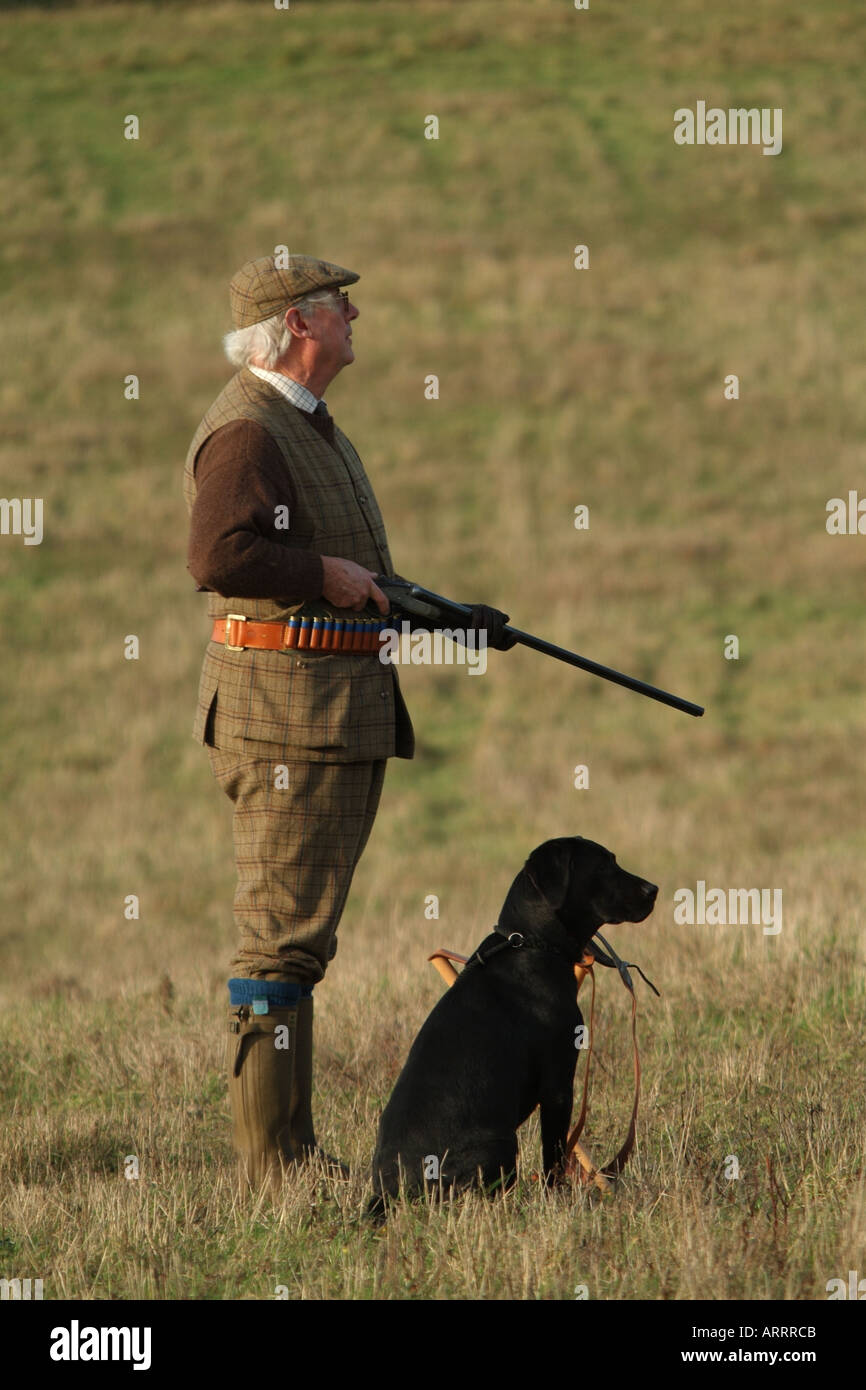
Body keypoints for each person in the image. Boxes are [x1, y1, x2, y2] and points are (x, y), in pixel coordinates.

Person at [183, 250, 511, 1191]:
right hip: (288, 723)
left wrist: (455, 620)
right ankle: (275, 1172)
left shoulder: (303, 423)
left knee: (298, 938)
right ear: (298, 325)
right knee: (278, 938)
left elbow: (356, 579)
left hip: (324, 714)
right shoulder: (248, 432)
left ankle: (286, 1154)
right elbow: (217, 553)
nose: (355, 318)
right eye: (340, 307)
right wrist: (324, 576)